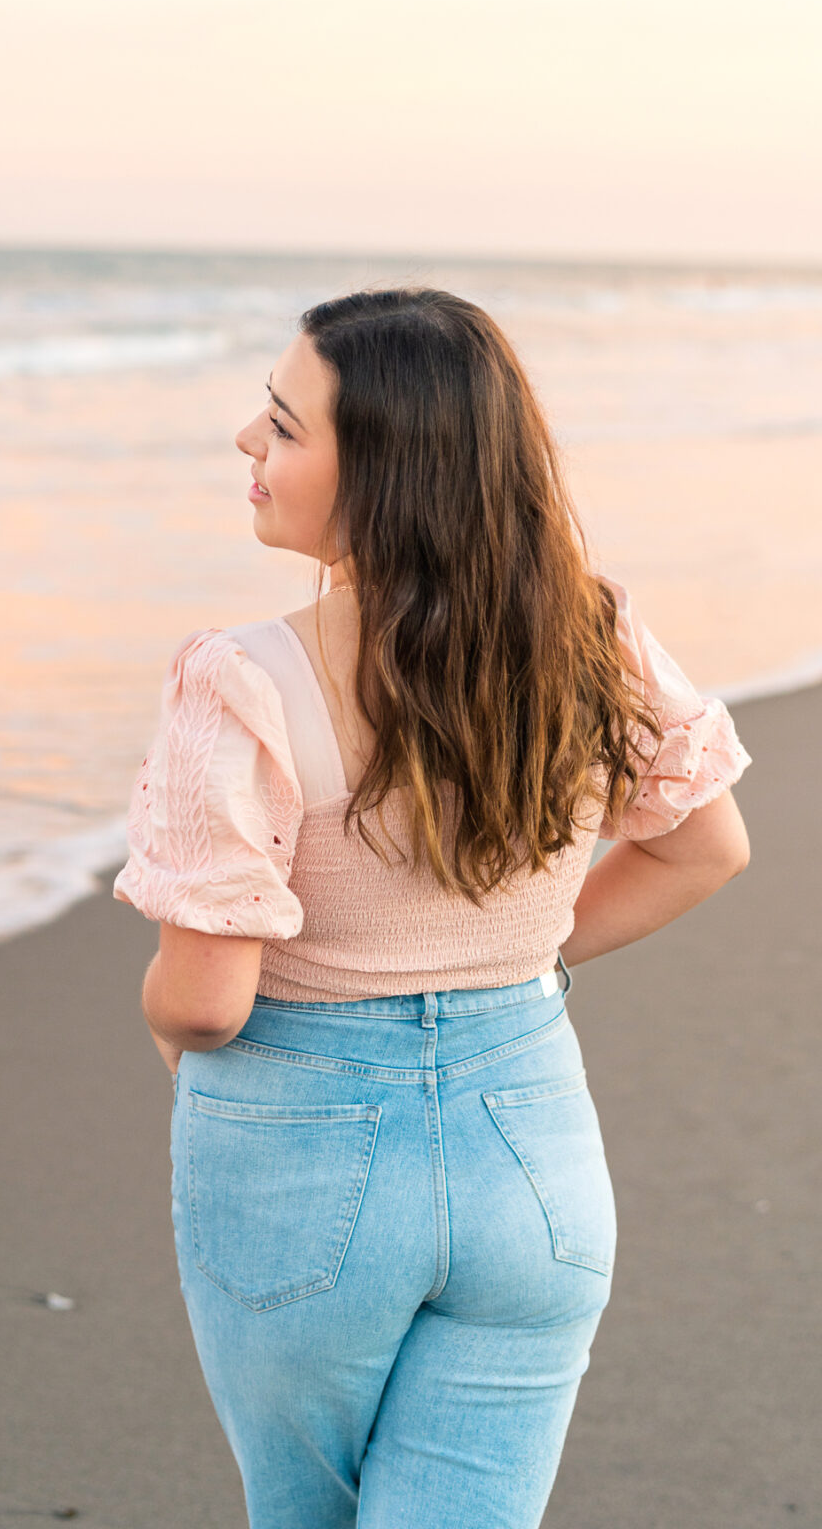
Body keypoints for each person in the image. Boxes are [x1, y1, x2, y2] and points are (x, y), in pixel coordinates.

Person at [111, 287, 752, 1529]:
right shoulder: (591, 638)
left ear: (389, 472)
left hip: (305, 1157)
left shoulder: (244, 680)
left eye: (285, 425)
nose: (247, 440)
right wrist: (497, 955)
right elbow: (702, 847)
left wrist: (160, 1023)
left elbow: (203, 998)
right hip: (535, 1154)